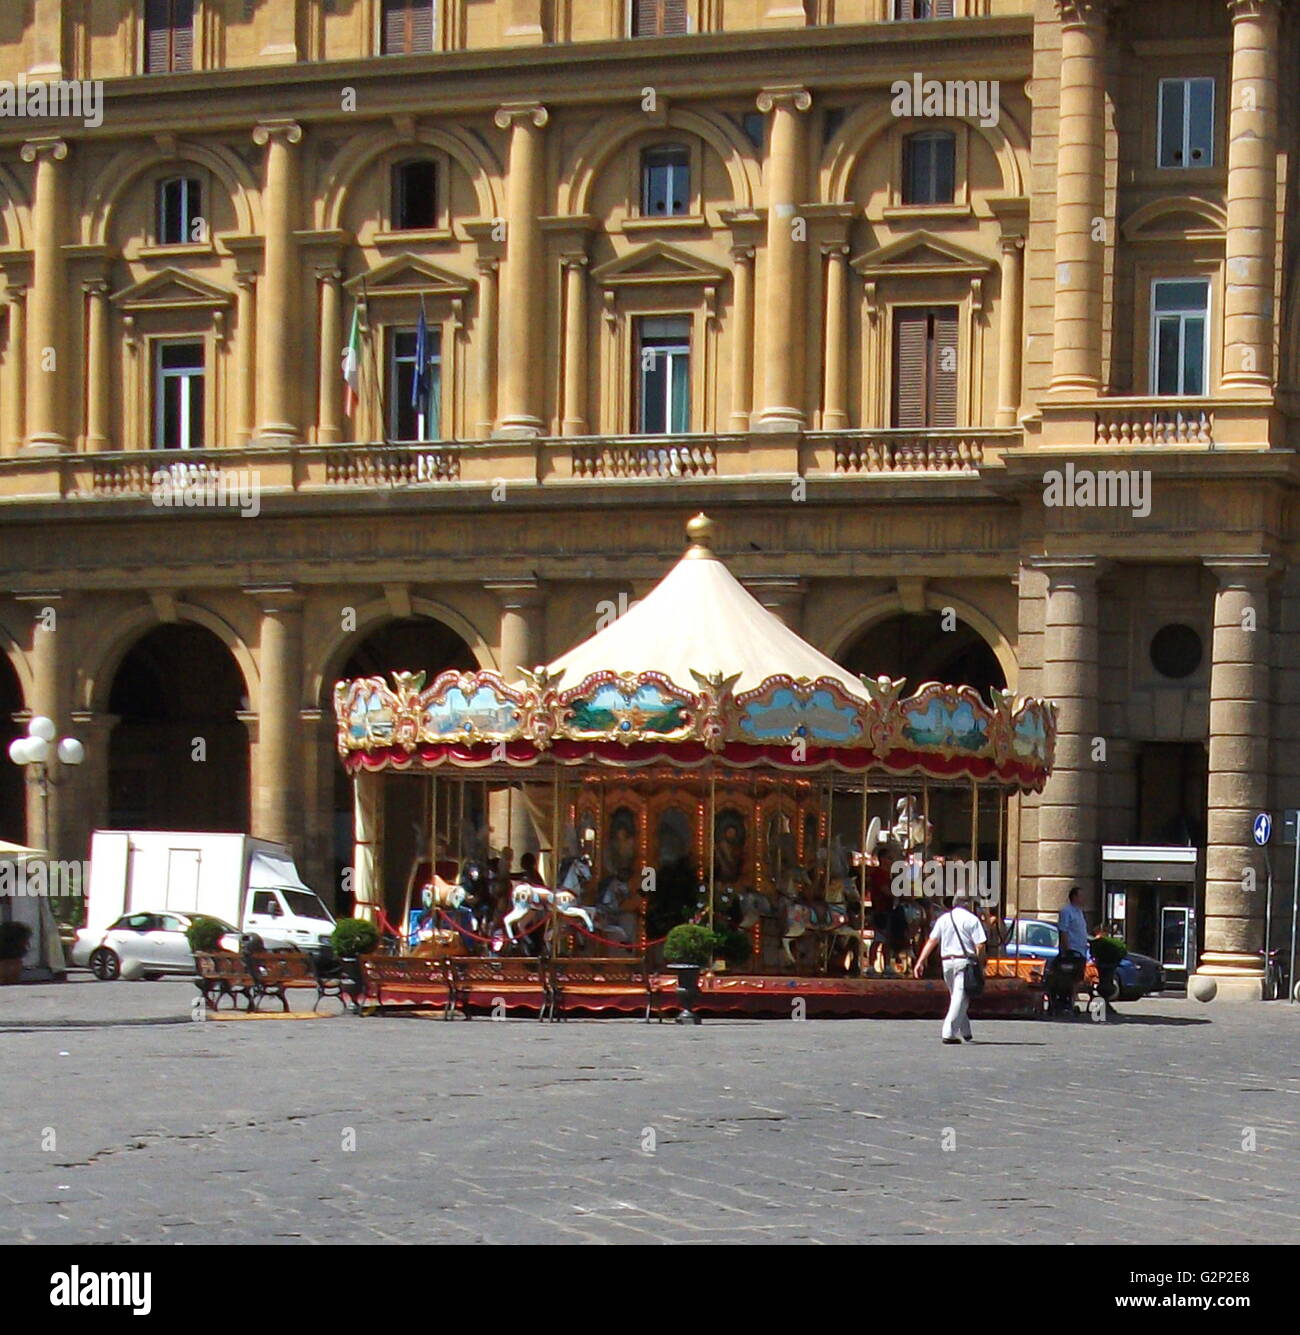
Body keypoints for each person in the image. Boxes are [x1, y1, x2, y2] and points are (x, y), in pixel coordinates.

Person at [913, 894, 987, 1044]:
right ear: (967, 904)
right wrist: (979, 962)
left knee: (957, 996)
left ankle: (966, 1031)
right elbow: (980, 945)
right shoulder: (972, 920)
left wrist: (920, 961)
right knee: (960, 997)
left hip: (946, 962)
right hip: (964, 961)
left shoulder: (944, 919)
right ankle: (949, 1032)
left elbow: (932, 941)